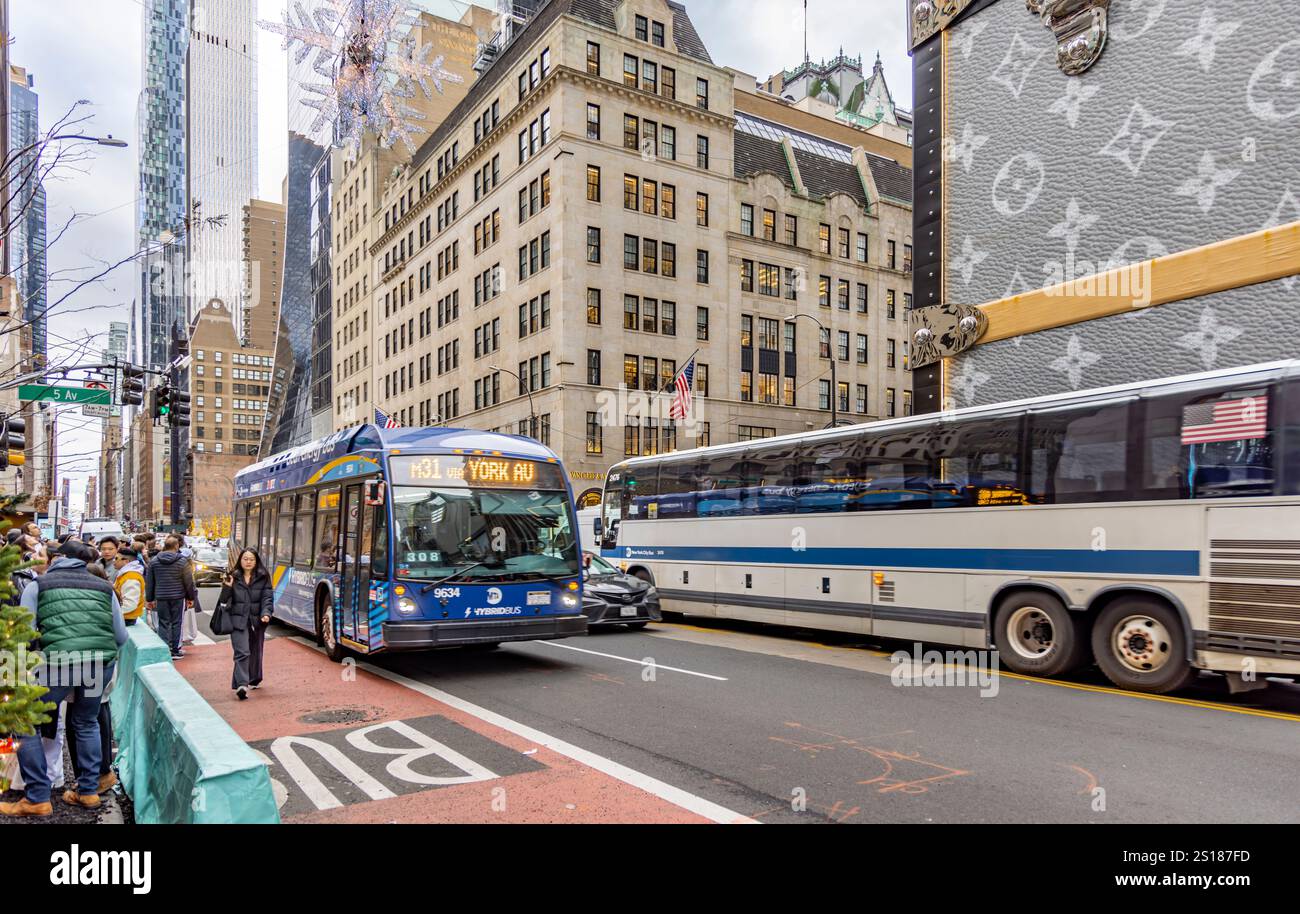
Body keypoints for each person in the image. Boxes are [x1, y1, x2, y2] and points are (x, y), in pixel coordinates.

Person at [0, 541, 128, 817]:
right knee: (86, 721)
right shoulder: (104, 588)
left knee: (25, 721)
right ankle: (88, 791)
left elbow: (25, 632)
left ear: (57, 558)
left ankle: (36, 797)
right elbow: (121, 637)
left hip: (56, 662)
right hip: (98, 663)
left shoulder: (40, 585)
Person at [221, 548, 274, 701]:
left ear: (256, 561)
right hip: (237, 620)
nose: (248, 562)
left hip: (257, 620)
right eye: (245, 559)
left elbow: (267, 597)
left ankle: (253, 678)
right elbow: (224, 601)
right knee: (242, 651)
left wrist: (266, 613)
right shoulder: (233, 577)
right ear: (240, 560)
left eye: (251, 559)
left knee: (255, 650)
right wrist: (227, 587)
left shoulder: (263, 577)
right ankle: (242, 685)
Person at [145, 534, 196, 659]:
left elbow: (150, 582)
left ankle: (165, 648)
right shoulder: (182, 561)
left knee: (163, 623)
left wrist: (150, 599)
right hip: (178, 596)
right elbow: (188, 581)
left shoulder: (154, 561)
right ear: (177, 546)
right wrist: (191, 597)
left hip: (161, 596)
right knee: (177, 622)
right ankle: (175, 649)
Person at [113, 547, 146, 627]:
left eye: (116, 558)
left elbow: (130, 603)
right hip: (123, 617)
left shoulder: (131, 577)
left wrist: (112, 613)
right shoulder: (126, 575)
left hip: (125, 619)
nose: (114, 561)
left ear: (126, 561)